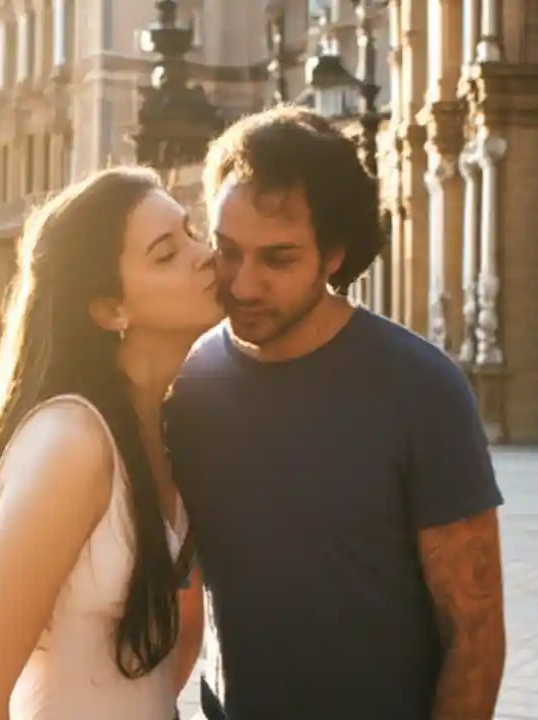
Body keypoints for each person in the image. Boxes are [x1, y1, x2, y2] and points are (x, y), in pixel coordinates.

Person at [164, 106, 507, 719]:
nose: (242, 285)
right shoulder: (191, 382)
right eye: (228, 250)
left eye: (279, 259)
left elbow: (474, 633)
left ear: (334, 255)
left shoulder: (421, 388)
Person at [0, 167, 216, 720]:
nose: (204, 254)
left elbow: (174, 640)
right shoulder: (72, 442)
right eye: (166, 253)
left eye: (192, 232)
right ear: (109, 308)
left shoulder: (168, 428)